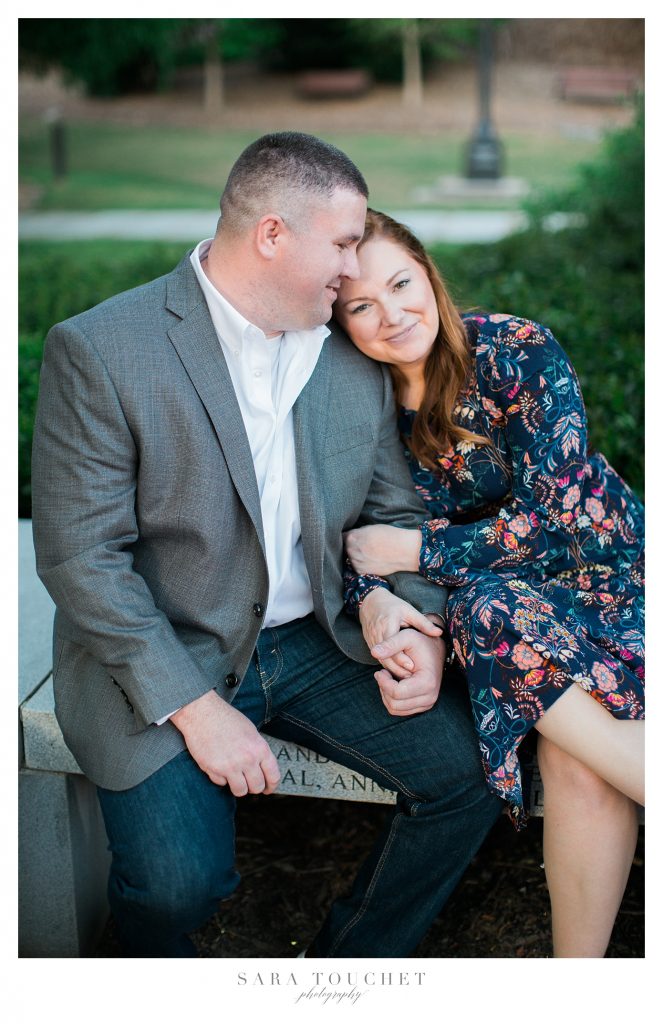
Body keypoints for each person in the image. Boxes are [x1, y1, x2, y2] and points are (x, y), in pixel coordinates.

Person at [31, 133, 502, 958]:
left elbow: (395, 508)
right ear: (273, 235)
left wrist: (412, 619)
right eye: (345, 241)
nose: (355, 268)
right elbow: (79, 557)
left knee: (468, 777)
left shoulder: (346, 353)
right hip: (165, 649)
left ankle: (338, 977)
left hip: (316, 641)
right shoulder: (104, 350)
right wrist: (195, 708)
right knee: (179, 885)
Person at [337, 209, 644, 959]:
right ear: (338, 321)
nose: (391, 313)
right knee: (568, 746)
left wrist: (417, 547)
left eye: (400, 282)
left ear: (427, 272)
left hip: (607, 579)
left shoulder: (516, 349)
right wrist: (371, 598)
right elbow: (341, 549)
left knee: (493, 616)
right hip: (513, 631)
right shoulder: (352, 409)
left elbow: (566, 518)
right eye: (359, 306)